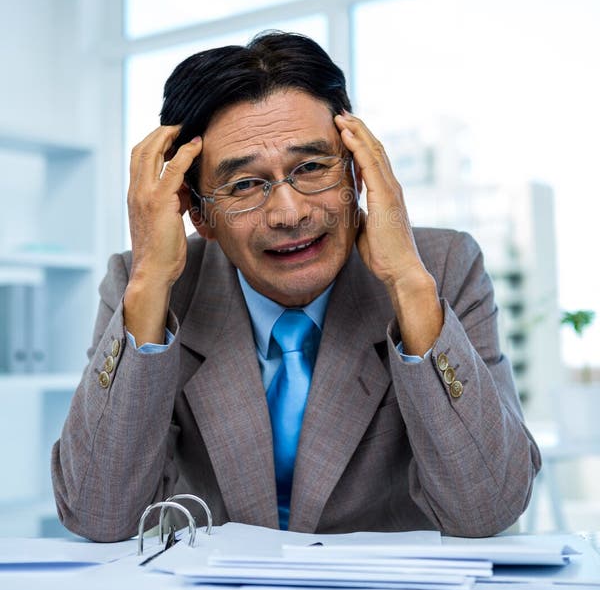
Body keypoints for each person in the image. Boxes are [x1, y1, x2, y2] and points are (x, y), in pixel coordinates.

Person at [52, 30, 540, 542]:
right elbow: (98, 514)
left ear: (358, 174)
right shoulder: (145, 283)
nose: (289, 213)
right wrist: (151, 282)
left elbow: (487, 508)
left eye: (311, 168)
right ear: (198, 213)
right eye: (244, 184)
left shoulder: (442, 266)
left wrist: (408, 286)